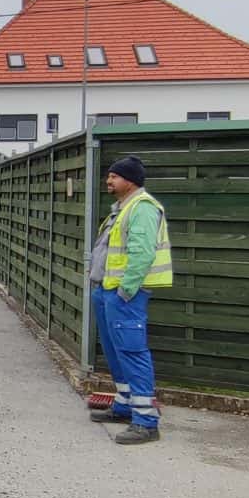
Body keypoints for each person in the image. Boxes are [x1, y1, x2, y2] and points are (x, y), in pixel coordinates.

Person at [87, 155, 173, 445]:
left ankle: (146, 422)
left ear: (130, 180)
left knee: (133, 352)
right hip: (107, 291)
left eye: (114, 176)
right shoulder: (122, 209)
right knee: (116, 351)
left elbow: (142, 254)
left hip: (124, 295)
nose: (108, 180)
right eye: (109, 175)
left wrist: (125, 291)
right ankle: (124, 406)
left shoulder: (143, 208)